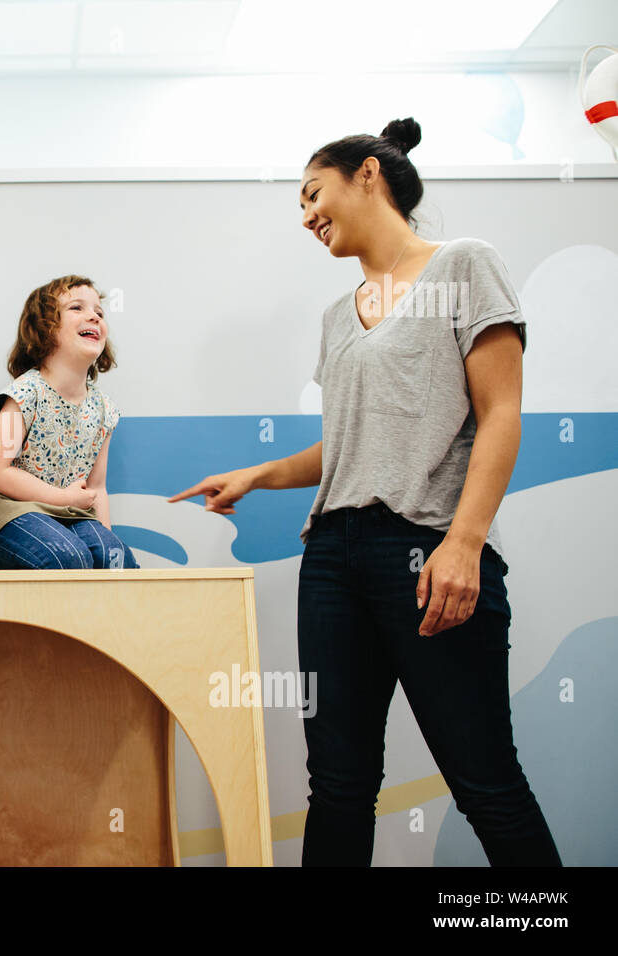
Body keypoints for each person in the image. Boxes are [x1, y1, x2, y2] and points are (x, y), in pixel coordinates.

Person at [170, 118, 560, 867]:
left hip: (428, 547)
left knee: (484, 781)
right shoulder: (335, 317)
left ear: (369, 175)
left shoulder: (464, 265)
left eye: (314, 194)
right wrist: (260, 474)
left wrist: (465, 542)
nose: (308, 217)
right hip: (332, 562)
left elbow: (500, 414)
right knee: (339, 785)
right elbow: (350, 442)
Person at [0, 275, 139, 570]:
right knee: (67, 558)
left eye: (99, 312)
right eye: (77, 308)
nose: (93, 317)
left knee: (116, 559)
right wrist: (61, 497)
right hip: (11, 507)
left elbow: (97, 488)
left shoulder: (104, 409)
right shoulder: (26, 391)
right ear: (44, 329)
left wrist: (108, 543)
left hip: (70, 512)